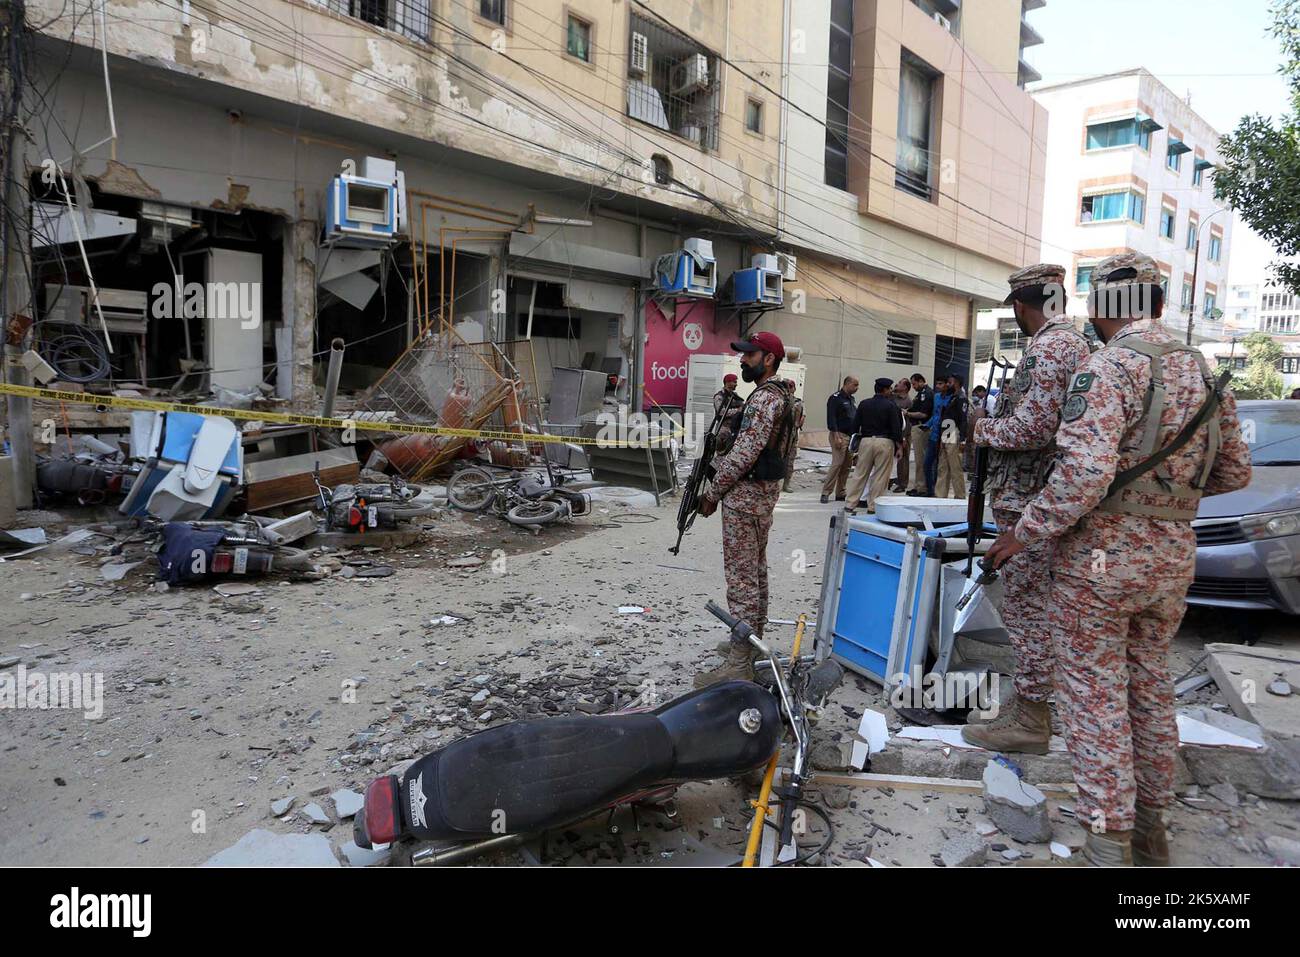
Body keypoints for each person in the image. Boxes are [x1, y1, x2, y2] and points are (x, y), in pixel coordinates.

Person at [984, 253, 1252, 866]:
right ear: (1158, 304)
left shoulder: (1110, 369)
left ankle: (1106, 848)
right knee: (1150, 689)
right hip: (1173, 558)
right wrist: (1164, 498)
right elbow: (1235, 472)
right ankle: (1149, 834)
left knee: (1093, 698)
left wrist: (1024, 532)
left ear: (1105, 308)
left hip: (1102, 562)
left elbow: (1082, 474)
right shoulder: (1206, 371)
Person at [960, 264, 1092, 757]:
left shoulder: (1047, 349)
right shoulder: (1076, 344)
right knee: (1041, 607)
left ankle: (1031, 719)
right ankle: (1036, 706)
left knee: (1026, 608)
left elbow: (1030, 430)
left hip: (1027, 504)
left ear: (1020, 306)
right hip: (1047, 500)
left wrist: (982, 429)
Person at [694, 331, 795, 687]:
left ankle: (739, 664)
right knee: (755, 573)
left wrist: (713, 492)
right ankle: (750, 643)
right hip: (761, 497)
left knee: (741, 580)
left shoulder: (765, 399)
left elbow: (745, 453)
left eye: (750, 354)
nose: (743, 360)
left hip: (745, 497)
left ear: (768, 359)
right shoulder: (779, 395)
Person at [844, 377, 903, 514]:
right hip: (884, 442)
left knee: (860, 473)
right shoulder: (891, 406)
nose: (891, 391)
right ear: (885, 390)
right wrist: (899, 446)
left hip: (865, 441)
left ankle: (850, 503)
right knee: (880, 476)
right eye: (889, 389)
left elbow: (855, 425)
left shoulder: (864, 404)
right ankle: (873, 506)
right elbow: (896, 428)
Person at [820, 376, 859, 503]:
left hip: (850, 436)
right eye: (855, 385)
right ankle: (826, 492)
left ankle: (840, 492)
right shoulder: (835, 398)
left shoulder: (851, 399)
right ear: (847, 384)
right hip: (839, 435)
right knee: (837, 463)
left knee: (847, 465)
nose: (857, 388)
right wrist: (836, 436)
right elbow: (831, 418)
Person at [904, 373, 934, 495]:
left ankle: (922, 487)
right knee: (918, 459)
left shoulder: (926, 394)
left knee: (921, 459)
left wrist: (907, 414)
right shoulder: (921, 394)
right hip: (918, 427)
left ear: (921, 381)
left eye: (914, 384)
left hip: (922, 428)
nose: (913, 386)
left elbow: (923, 414)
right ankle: (918, 485)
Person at [782, 378, 805, 493]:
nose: (789, 389)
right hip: (780, 437)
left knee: (790, 462)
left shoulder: (798, 402)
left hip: (792, 436)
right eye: (787, 387)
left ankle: (786, 484)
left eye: (791, 387)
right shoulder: (780, 401)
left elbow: (802, 417)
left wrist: (798, 423)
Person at [891, 379, 912, 491]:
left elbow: (907, 421)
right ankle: (893, 478)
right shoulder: (893, 397)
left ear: (905, 388)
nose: (896, 384)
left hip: (904, 432)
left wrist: (903, 437)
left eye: (899, 383)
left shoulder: (908, 402)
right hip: (893, 431)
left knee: (903, 459)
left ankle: (903, 483)